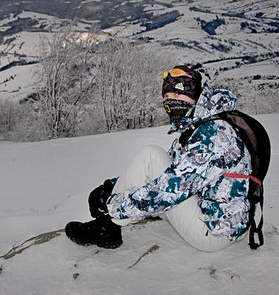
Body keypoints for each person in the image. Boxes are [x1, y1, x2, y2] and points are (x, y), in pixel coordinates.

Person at [65, 65, 251, 251]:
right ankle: (109, 222)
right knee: (153, 159)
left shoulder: (212, 135)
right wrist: (111, 187)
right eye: (167, 96)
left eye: (178, 94)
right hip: (211, 211)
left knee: (150, 155)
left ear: (195, 95)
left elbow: (169, 190)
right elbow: (169, 171)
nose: (171, 101)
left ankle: (108, 227)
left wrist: (113, 205)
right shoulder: (200, 127)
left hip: (215, 231)